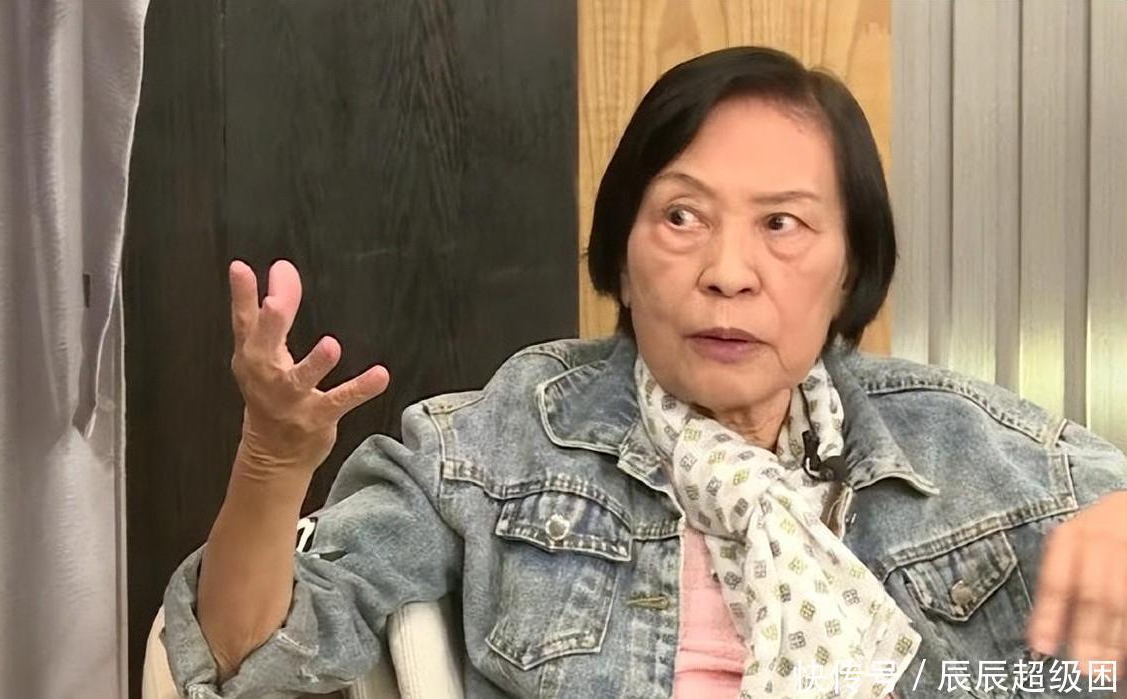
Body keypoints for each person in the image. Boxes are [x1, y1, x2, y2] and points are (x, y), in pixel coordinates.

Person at [161, 46, 1127, 699]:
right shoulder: (495, 443)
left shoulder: (964, 445)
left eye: (782, 224)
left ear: (850, 270)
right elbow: (248, 665)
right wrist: (271, 462)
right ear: (622, 257)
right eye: (681, 216)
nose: (728, 271)